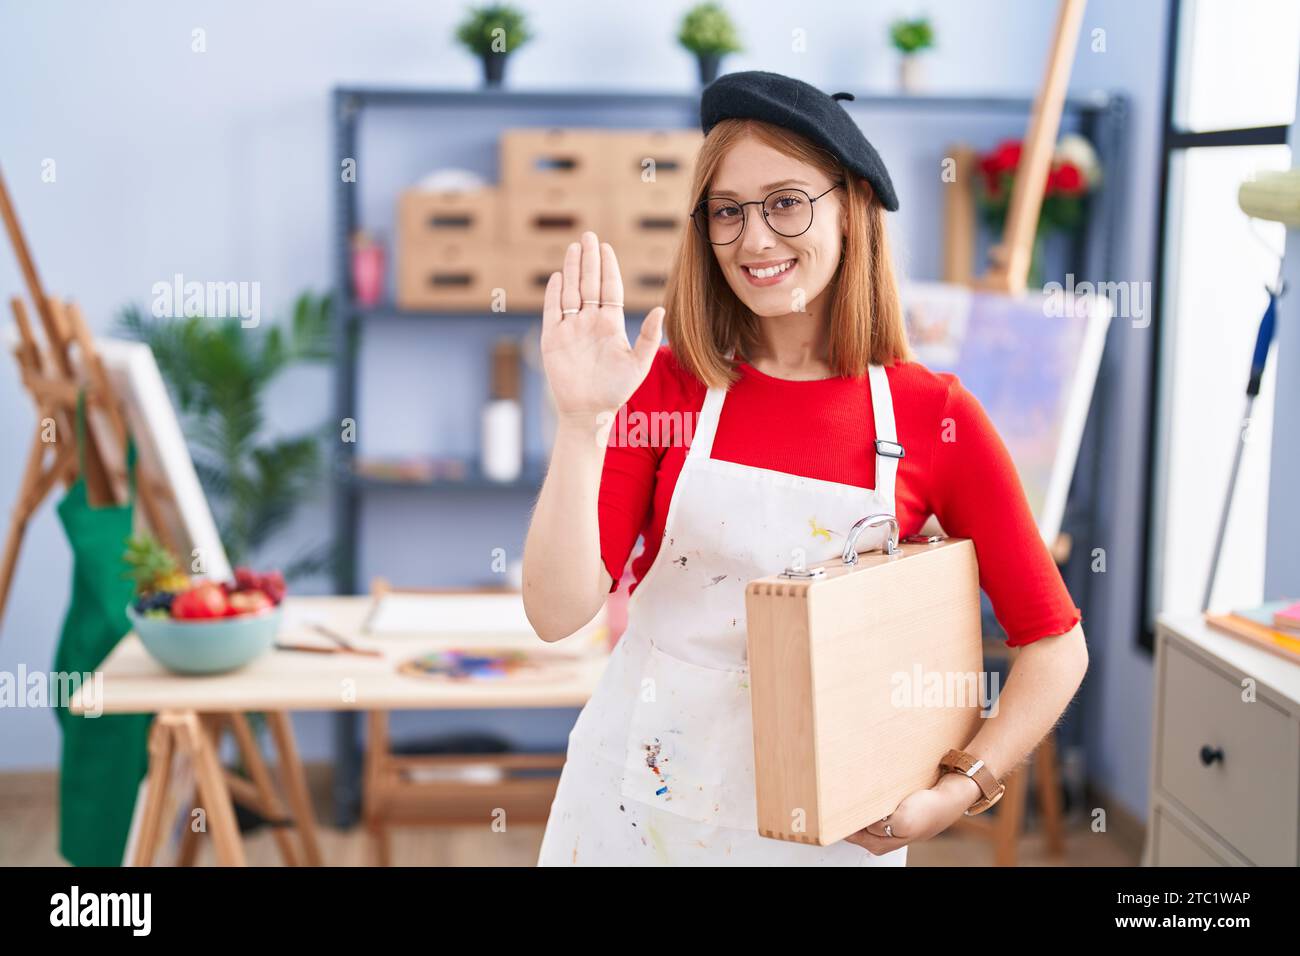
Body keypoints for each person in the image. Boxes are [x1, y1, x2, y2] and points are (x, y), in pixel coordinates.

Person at [523, 71, 1089, 866]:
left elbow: (1056, 644)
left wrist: (962, 788)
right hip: (632, 810)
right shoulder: (670, 387)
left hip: (832, 831)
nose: (754, 240)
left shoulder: (934, 416)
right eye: (727, 211)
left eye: (786, 202)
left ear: (851, 208)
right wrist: (581, 423)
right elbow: (555, 613)